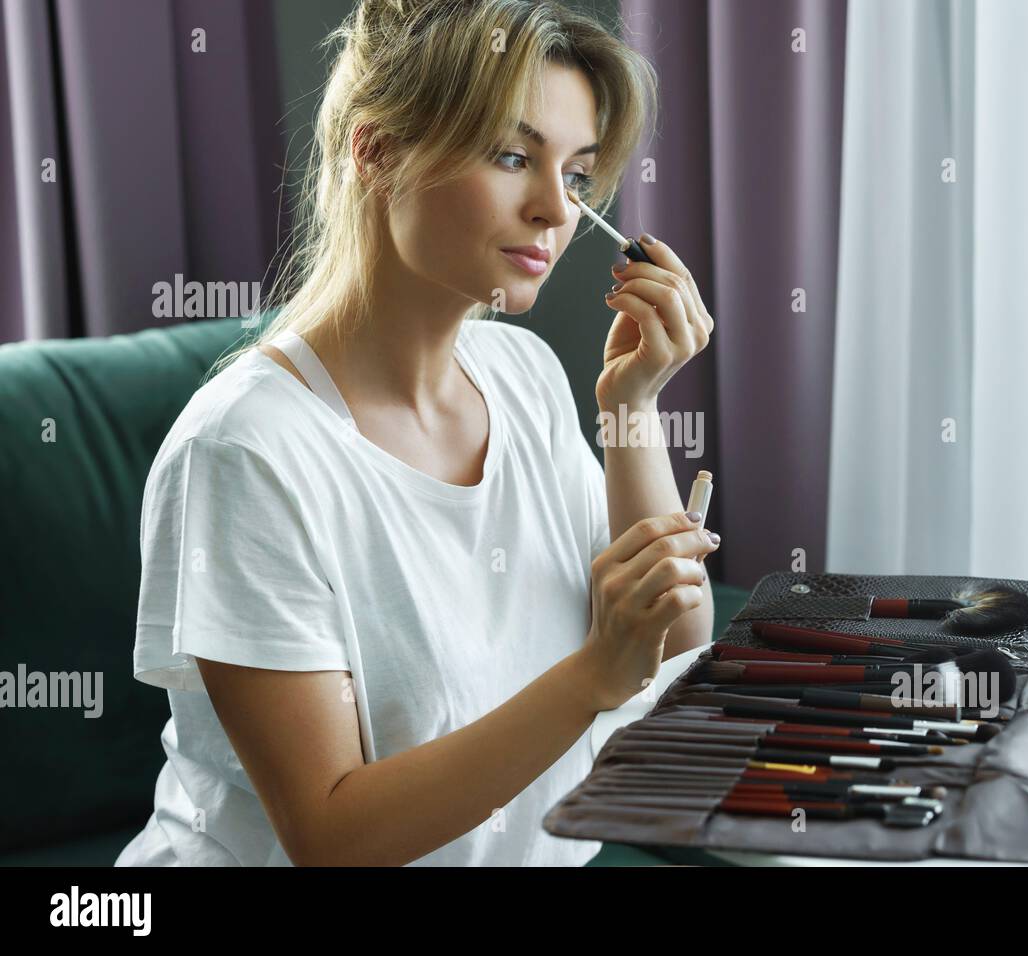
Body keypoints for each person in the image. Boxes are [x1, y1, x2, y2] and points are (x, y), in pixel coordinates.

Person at [116, 0, 717, 867]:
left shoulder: (527, 378)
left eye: (578, 176)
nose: (556, 210)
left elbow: (672, 644)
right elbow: (333, 836)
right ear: (376, 151)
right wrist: (592, 675)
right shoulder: (245, 453)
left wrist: (635, 406)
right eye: (514, 157)